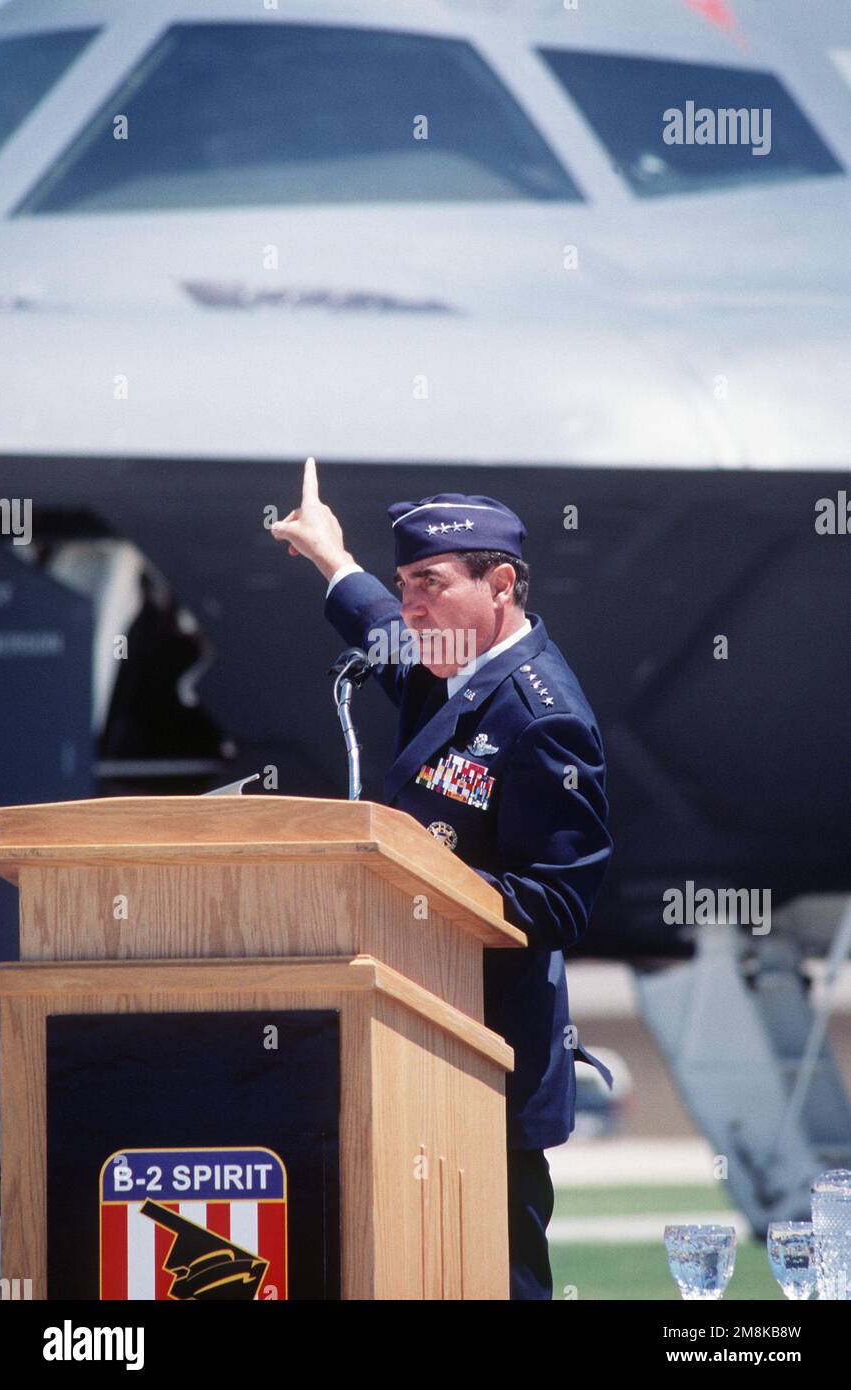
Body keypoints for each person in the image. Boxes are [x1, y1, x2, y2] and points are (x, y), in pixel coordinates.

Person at [271, 459, 613, 1300]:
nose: (411, 606)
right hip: (415, 1032)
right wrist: (330, 556)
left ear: (500, 584)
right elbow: (381, 627)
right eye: (404, 583)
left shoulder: (542, 717)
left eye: (430, 583)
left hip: (484, 1056)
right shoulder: (450, 663)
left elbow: (562, 901)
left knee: (495, 1277)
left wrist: (417, 871)